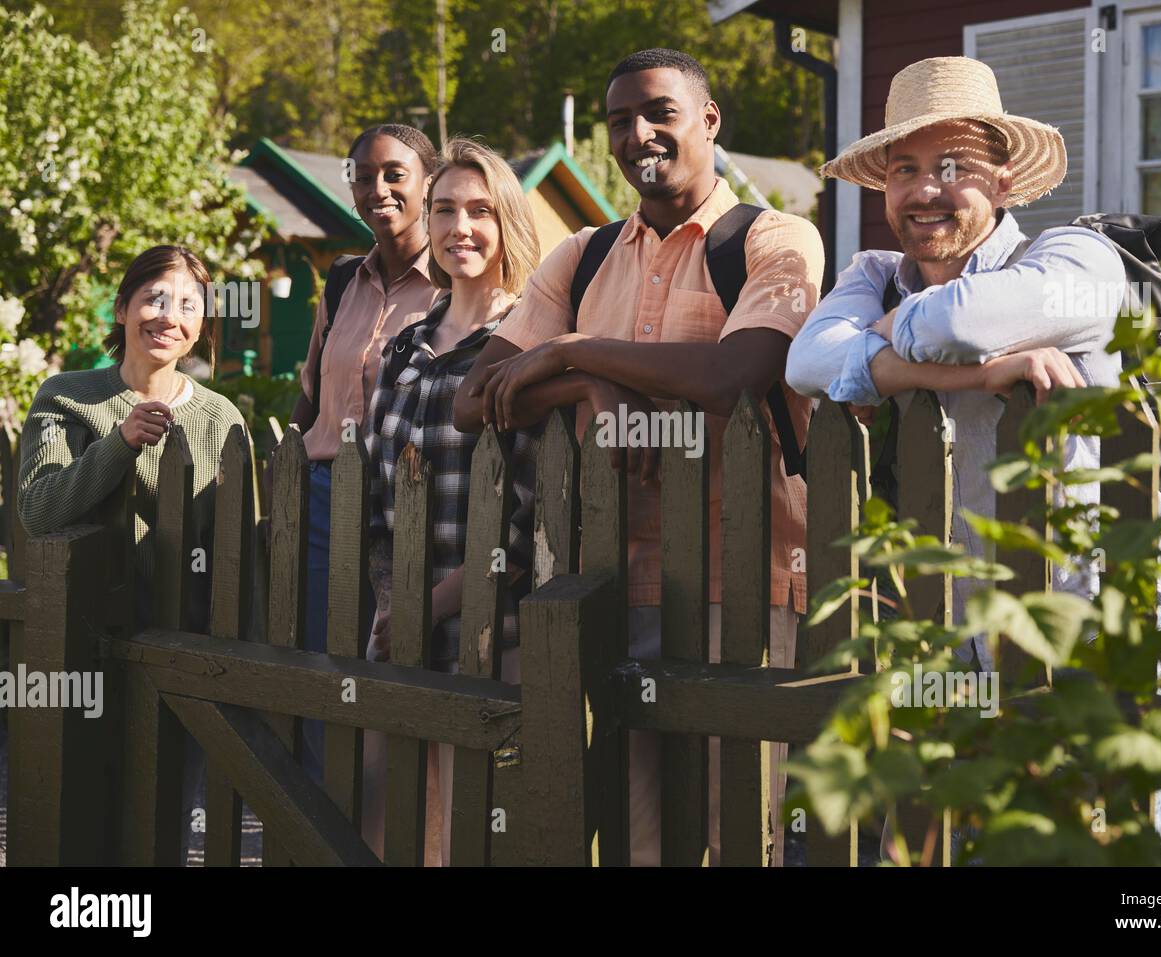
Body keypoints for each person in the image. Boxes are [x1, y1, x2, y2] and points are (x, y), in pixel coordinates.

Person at [452, 48, 825, 867]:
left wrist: (574, 350)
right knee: (633, 837)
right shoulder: (580, 255)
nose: (638, 134)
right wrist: (588, 388)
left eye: (660, 112)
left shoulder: (774, 240)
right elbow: (471, 400)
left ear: (711, 121)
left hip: (744, 582)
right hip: (611, 582)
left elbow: (733, 377)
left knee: (738, 836)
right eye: (620, 121)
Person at [783, 55, 1129, 860]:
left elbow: (969, 319)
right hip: (944, 638)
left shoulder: (1076, 260)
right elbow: (805, 363)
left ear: (1004, 182)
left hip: (1076, 631)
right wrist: (978, 377)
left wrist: (874, 342)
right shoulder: (874, 271)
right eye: (904, 169)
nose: (926, 189)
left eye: (954, 167)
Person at [362, 137, 541, 865]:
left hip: (491, 630)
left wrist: (429, 602)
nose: (459, 227)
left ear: (508, 225)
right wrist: (388, 601)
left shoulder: (529, 341)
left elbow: (528, 522)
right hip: (394, 627)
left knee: (480, 833)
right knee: (396, 831)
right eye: (443, 210)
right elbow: (374, 501)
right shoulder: (402, 347)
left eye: (479, 210)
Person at [287, 123, 442, 783]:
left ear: (428, 181)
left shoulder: (457, 277)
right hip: (321, 499)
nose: (376, 188)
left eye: (394, 174)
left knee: (394, 667)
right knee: (322, 667)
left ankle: (392, 834)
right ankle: (324, 828)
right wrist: (288, 466)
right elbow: (311, 385)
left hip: (410, 504)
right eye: (362, 175)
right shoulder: (342, 279)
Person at [19, 244, 247, 629]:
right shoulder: (64, 397)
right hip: (83, 633)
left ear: (201, 328)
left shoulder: (222, 419)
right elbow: (38, 513)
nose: (170, 318)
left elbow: (235, 551)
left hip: (186, 641)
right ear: (122, 309)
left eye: (189, 307)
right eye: (155, 300)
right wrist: (119, 443)